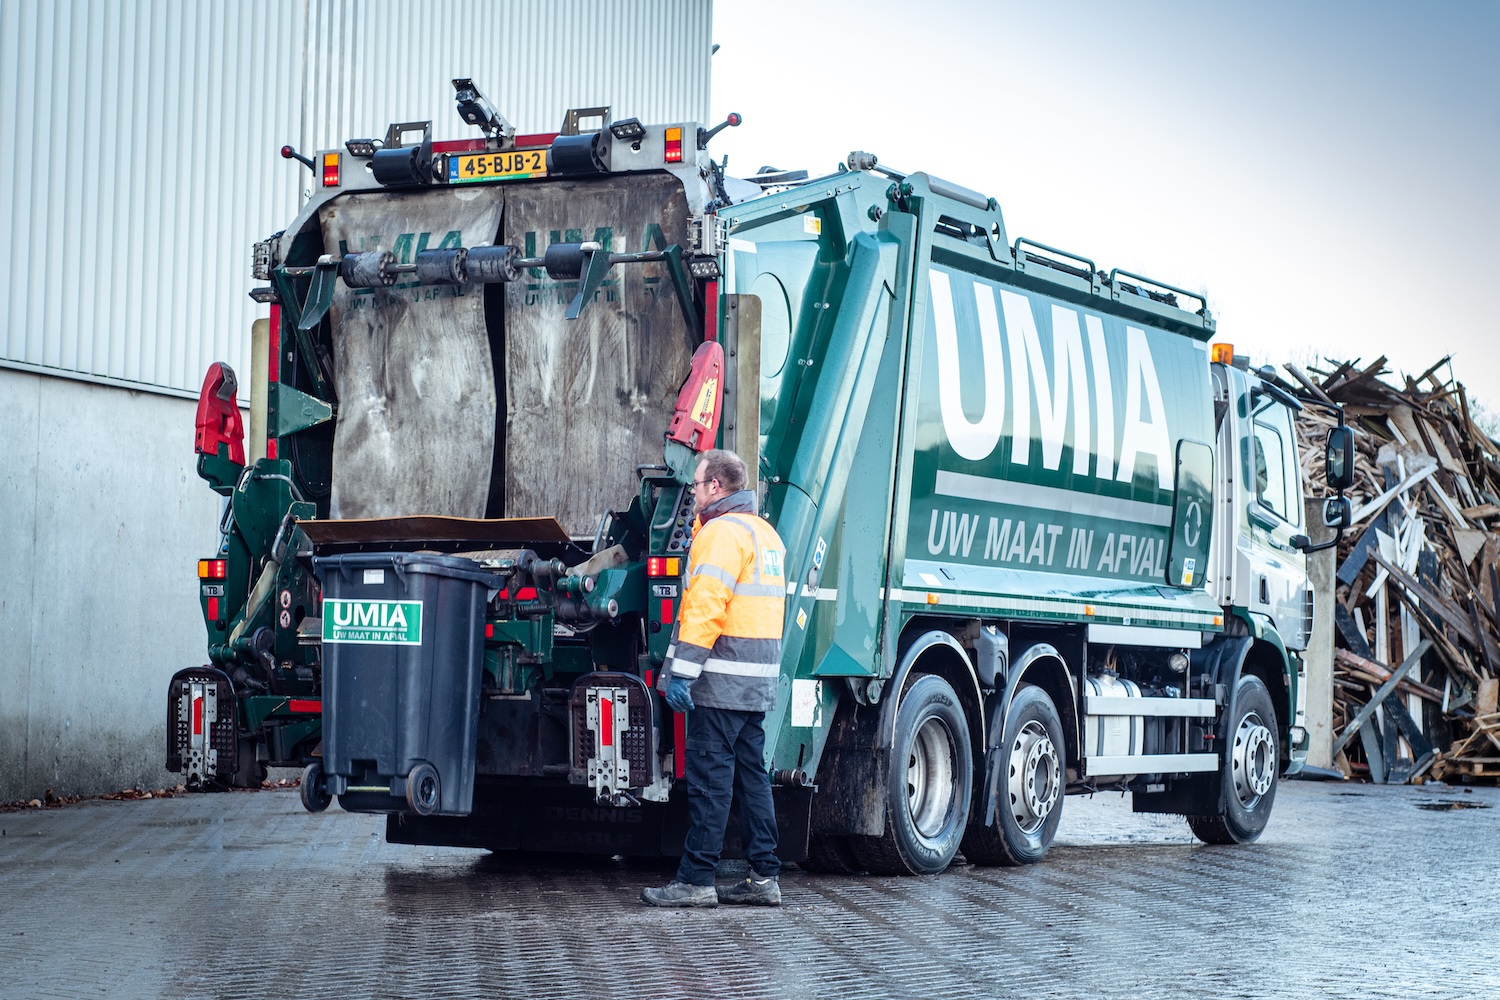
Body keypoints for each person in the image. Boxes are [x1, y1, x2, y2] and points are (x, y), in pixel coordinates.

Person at [641, 449, 787, 908]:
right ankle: (765, 877)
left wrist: (681, 674)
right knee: (753, 779)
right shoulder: (765, 535)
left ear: (716, 488)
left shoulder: (721, 535)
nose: (695, 493)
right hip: (755, 683)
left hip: (721, 681)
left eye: (699, 485)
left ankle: (696, 880)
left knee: (710, 781)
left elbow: (706, 609)